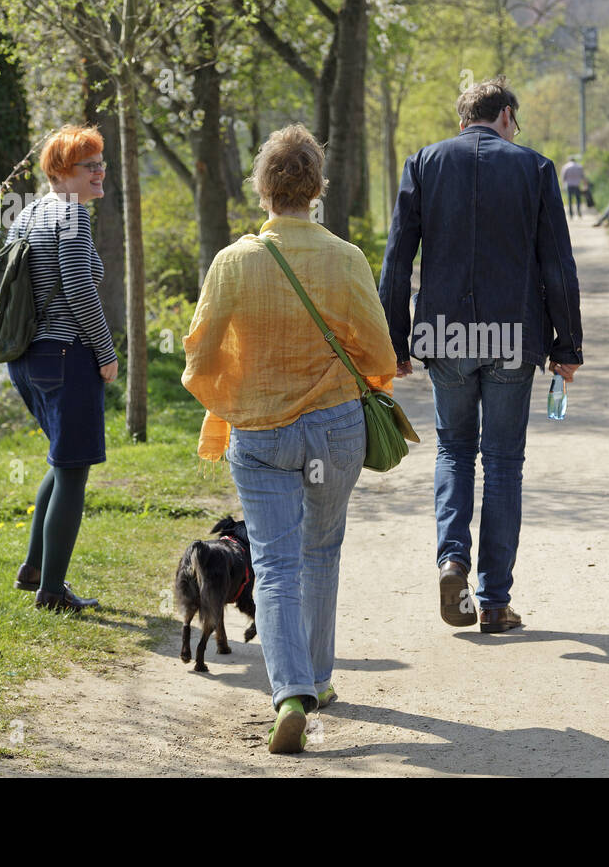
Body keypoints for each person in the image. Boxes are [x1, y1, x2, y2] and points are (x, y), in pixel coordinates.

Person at [182, 124, 396, 754]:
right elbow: (379, 352)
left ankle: (291, 694)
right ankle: (322, 678)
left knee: (273, 565)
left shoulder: (233, 262)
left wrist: (239, 395)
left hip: (260, 433)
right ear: (317, 188)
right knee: (322, 552)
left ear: (262, 188)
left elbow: (197, 356)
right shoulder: (346, 258)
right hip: (335, 429)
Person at [379, 75, 584, 634]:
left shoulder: (423, 164)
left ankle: (452, 561)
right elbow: (557, 265)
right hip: (513, 337)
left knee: (452, 450)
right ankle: (494, 602)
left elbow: (397, 260)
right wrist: (567, 347)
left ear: (462, 120)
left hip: (444, 336)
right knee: (502, 462)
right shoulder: (536, 168)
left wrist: (394, 344)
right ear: (507, 116)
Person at [8, 124, 117, 613]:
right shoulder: (71, 216)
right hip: (66, 355)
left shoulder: (28, 214)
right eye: (89, 165)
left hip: (27, 358)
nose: (99, 172)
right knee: (73, 469)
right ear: (61, 172)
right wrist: (107, 351)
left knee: (60, 459)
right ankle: (52, 592)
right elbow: (78, 288)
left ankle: (33, 569)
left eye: (100, 163)